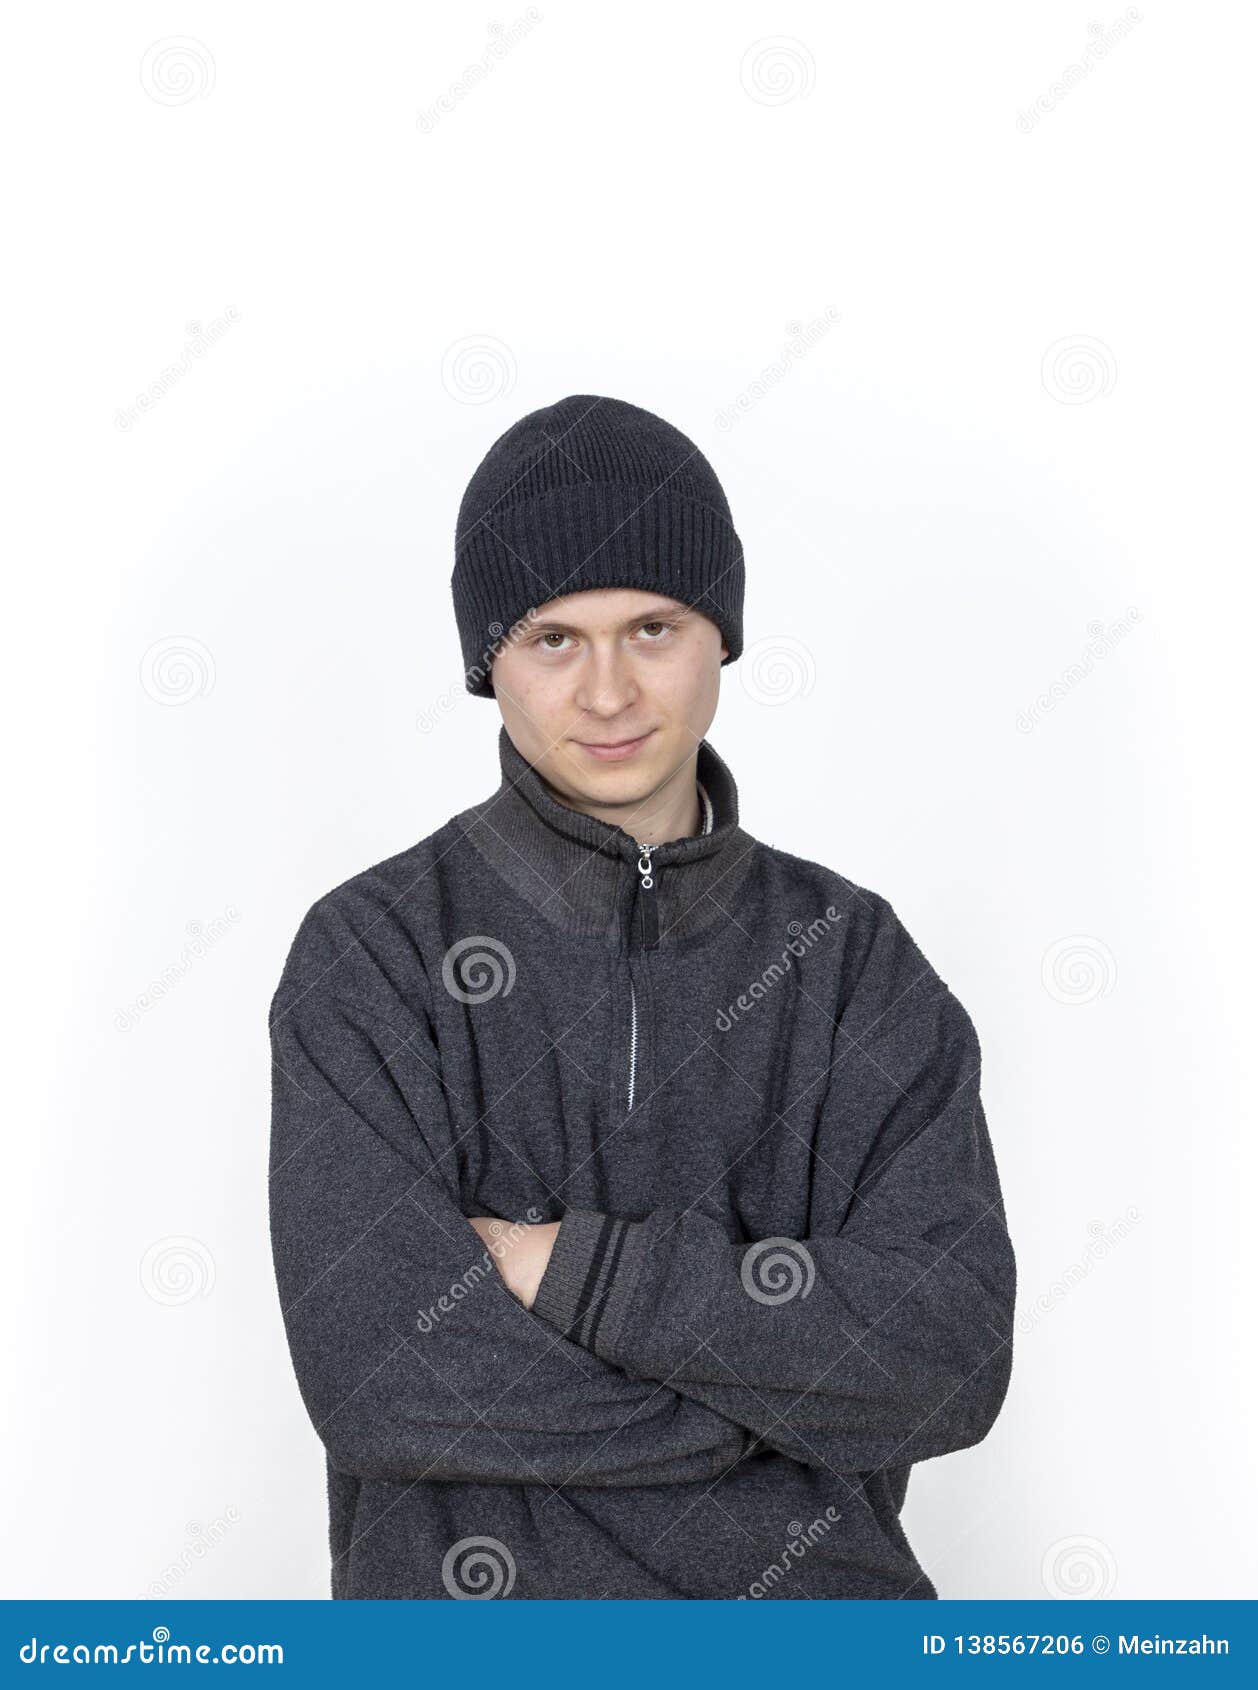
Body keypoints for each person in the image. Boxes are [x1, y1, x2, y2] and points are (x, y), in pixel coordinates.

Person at [268, 393, 1017, 1600]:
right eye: (553, 639)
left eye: (652, 627)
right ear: (487, 664)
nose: (608, 693)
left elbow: (944, 1364)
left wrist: (564, 1270)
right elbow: (377, 1377)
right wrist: (777, 1411)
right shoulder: (374, 954)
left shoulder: (853, 962)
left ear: (720, 635)